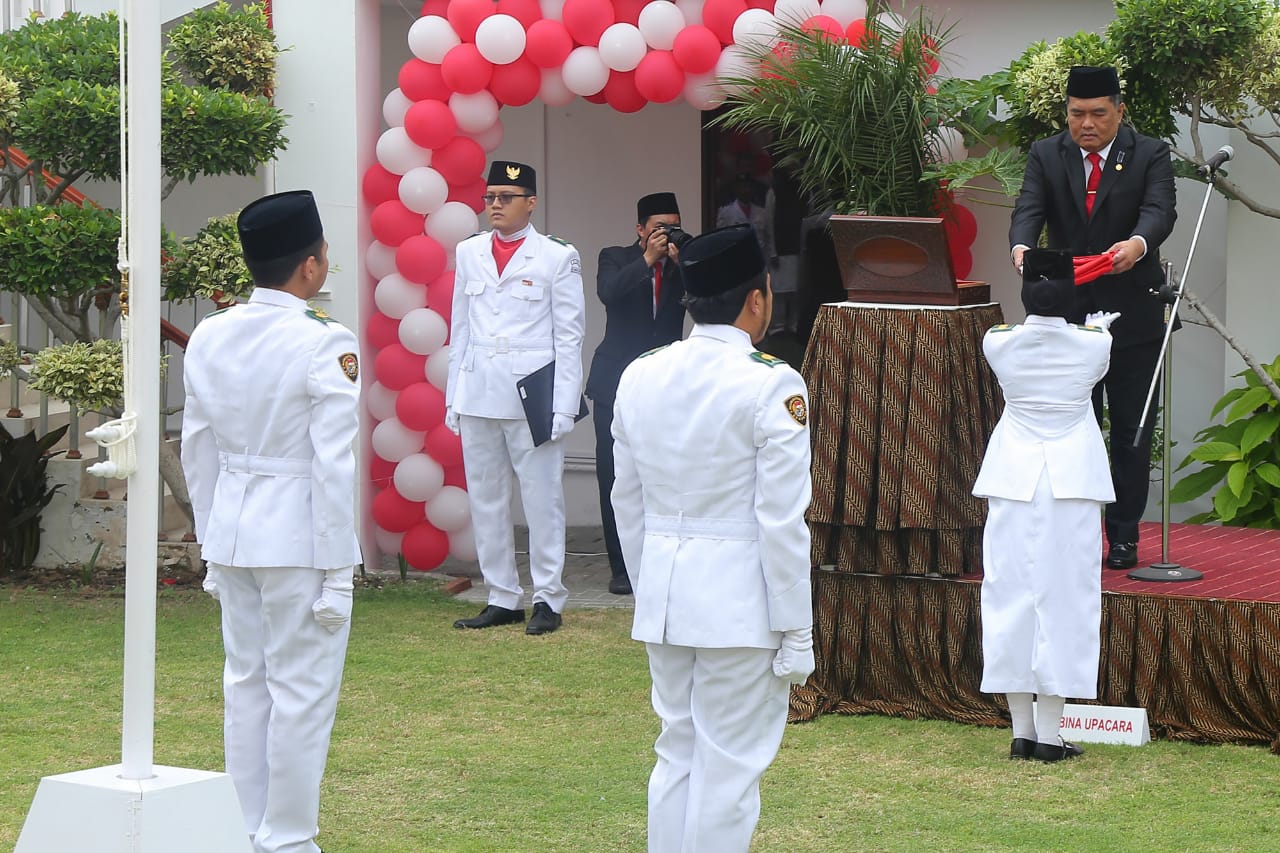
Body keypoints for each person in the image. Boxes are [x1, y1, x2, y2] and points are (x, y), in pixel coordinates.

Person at [611, 224, 814, 851]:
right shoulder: (772, 381)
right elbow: (781, 519)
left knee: (678, 752)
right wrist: (797, 627)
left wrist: (650, 588)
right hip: (738, 602)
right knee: (728, 769)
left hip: (667, 597)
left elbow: (628, 499)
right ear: (757, 299)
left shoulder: (641, 372)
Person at [181, 189, 360, 853]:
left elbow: (196, 449)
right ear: (312, 266)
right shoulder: (325, 341)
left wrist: (208, 540)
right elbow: (332, 468)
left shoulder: (211, 333)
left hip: (232, 530)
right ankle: (285, 838)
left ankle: (246, 828)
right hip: (298, 538)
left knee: (247, 686)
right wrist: (339, 570)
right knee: (302, 691)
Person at [1009, 64, 1177, 570]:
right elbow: (1029, 208)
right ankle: (1069, 533)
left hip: (1132, 314)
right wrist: (1020, 247)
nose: (1086, 124)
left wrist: (1137, 244)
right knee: (1068, 425)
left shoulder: (1149, 153)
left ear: (1119, 111)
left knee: (1128, 429)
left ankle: (1123, 536)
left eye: (1098, 114)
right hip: (1067, 315)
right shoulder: (1046, 153)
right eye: (1077, 114)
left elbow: (1160, 211)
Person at [974, 249, 1118, 762]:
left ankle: (1022, 730)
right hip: (1070, 482)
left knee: (1009, 595)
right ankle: (1050, 735)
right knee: (1066, 599)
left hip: (1014, 479)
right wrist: (1098, 325)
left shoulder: (998, 343)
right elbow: (1092, 344)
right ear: (1070, 292)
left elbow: (1023, 335)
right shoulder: (1093, 346)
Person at [445, 160, 586, 635]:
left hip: (533, 394)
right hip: (479, 387)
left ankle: (549, 596)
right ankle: (502, 595)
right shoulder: (469, 253)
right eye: (490, 198)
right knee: (485, 499)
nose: (496, 206)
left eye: (507, 197)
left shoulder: (556, 257)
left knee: (542, 499)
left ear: (531, 202)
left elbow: (569, 337)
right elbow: (459, 327)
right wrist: (453, 396)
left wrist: (564, 405)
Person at [585, 191, 688, 596]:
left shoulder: (685, 263)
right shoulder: (615, 256)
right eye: (659, 226)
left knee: (664, 473)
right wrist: (648, 259)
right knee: (613, 474)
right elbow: (609, 293)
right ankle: (621, 568)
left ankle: (662, 563)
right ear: (640, 230)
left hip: (666, 382)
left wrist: (684, 265)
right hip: (614, 381)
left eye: (673, 224)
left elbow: (709, 304)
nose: (666, 233)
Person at [762, 167, 805, 339]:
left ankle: (793, 325)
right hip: (779, 250)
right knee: (778, 292)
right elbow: (768, 222)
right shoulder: (774, 192)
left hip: (797, 248)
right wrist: (772, 250)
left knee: (795, 291)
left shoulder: (803, 190)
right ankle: (777, 326)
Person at [716, 173, 769, 244]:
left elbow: (768, 240)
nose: (746, 190)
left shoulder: (762, 212)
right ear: (736, 189)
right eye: (743, 186)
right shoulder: (725, 213)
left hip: (758, 253)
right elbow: (721, 239)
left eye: (748, 186)